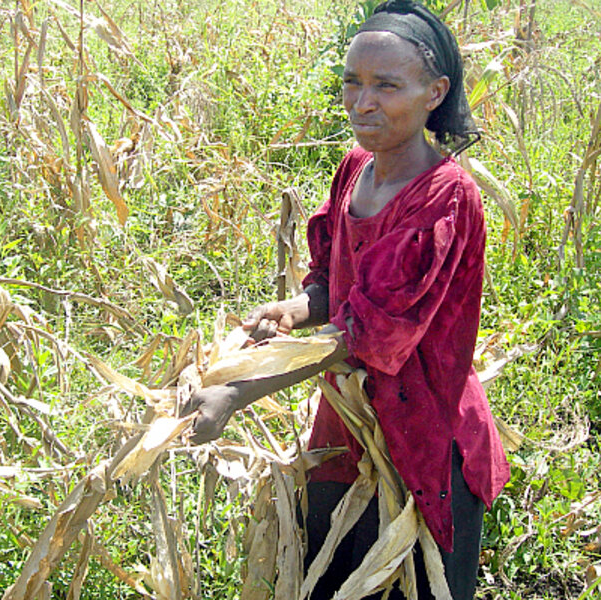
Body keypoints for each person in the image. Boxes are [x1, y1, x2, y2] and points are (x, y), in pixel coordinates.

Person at [180, 1, 510, 598]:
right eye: (352, 83)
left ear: (434, 93)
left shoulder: (444, 200)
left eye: (387, 86)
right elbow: (335, 284)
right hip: (349, 424)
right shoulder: (357, 166)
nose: (363, 103)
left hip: (424, 437)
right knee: (329, 575)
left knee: (416, 582)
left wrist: (238, 392)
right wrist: (296, 309)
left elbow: (371, 336)